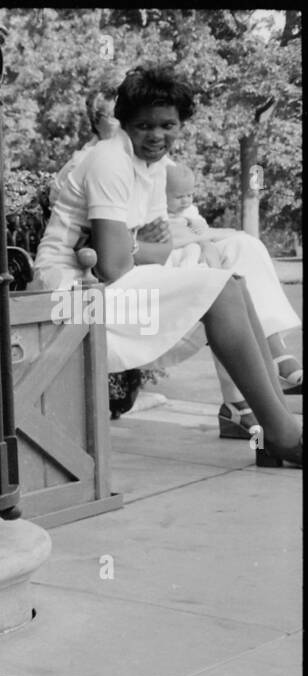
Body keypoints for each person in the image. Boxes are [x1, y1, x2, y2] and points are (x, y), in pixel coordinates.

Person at [34, 65, 301, 467]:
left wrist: (132, 243)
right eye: (144, 125)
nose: (157, 136)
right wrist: (133, 246)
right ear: (124, 123)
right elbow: (113, 264)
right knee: (221, 290)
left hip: (105, 287)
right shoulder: (110, 161)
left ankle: (275, 428)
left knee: (234, 281)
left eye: (168, 125)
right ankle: (282, 435)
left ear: (181, 124)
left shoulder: (156, 165)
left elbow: (157, 246)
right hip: (67, 299)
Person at [163, 160, 304, 437]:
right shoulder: (110, 161)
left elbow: (196, 227)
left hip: (186, 251)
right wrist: (206, 238)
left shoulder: (162, 163)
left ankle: (245, 394)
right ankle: (243, 401)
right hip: (154, 267)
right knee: (220, 282)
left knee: (245, 246)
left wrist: (208, 237)